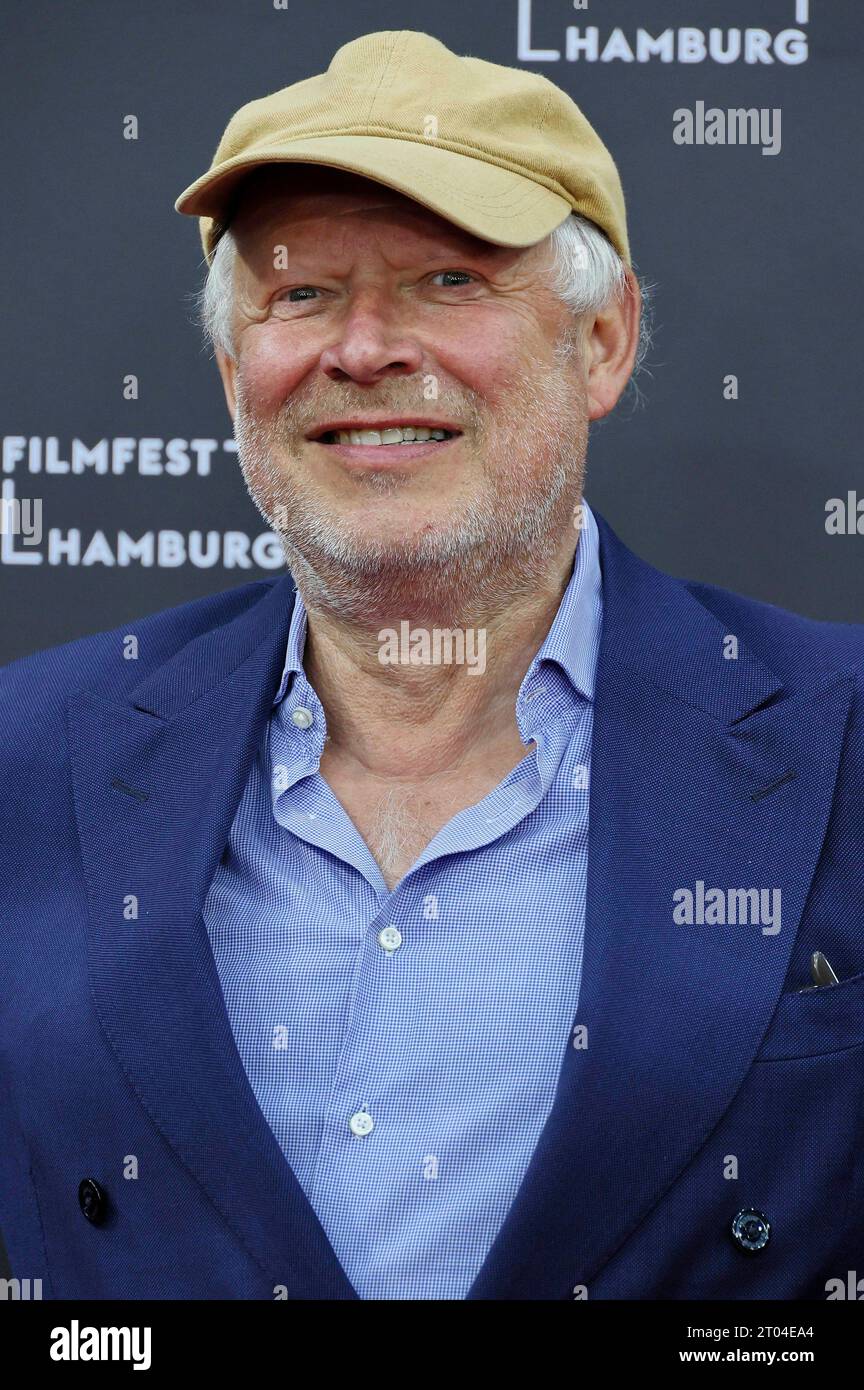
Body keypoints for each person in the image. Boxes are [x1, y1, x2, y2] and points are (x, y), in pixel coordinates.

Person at [1, 30, 862, 1302]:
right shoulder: (30, 753)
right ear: (237, 371)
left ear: (604, 341)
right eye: (299, 294)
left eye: (450, 280)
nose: (365, 348)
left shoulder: (842, 739)